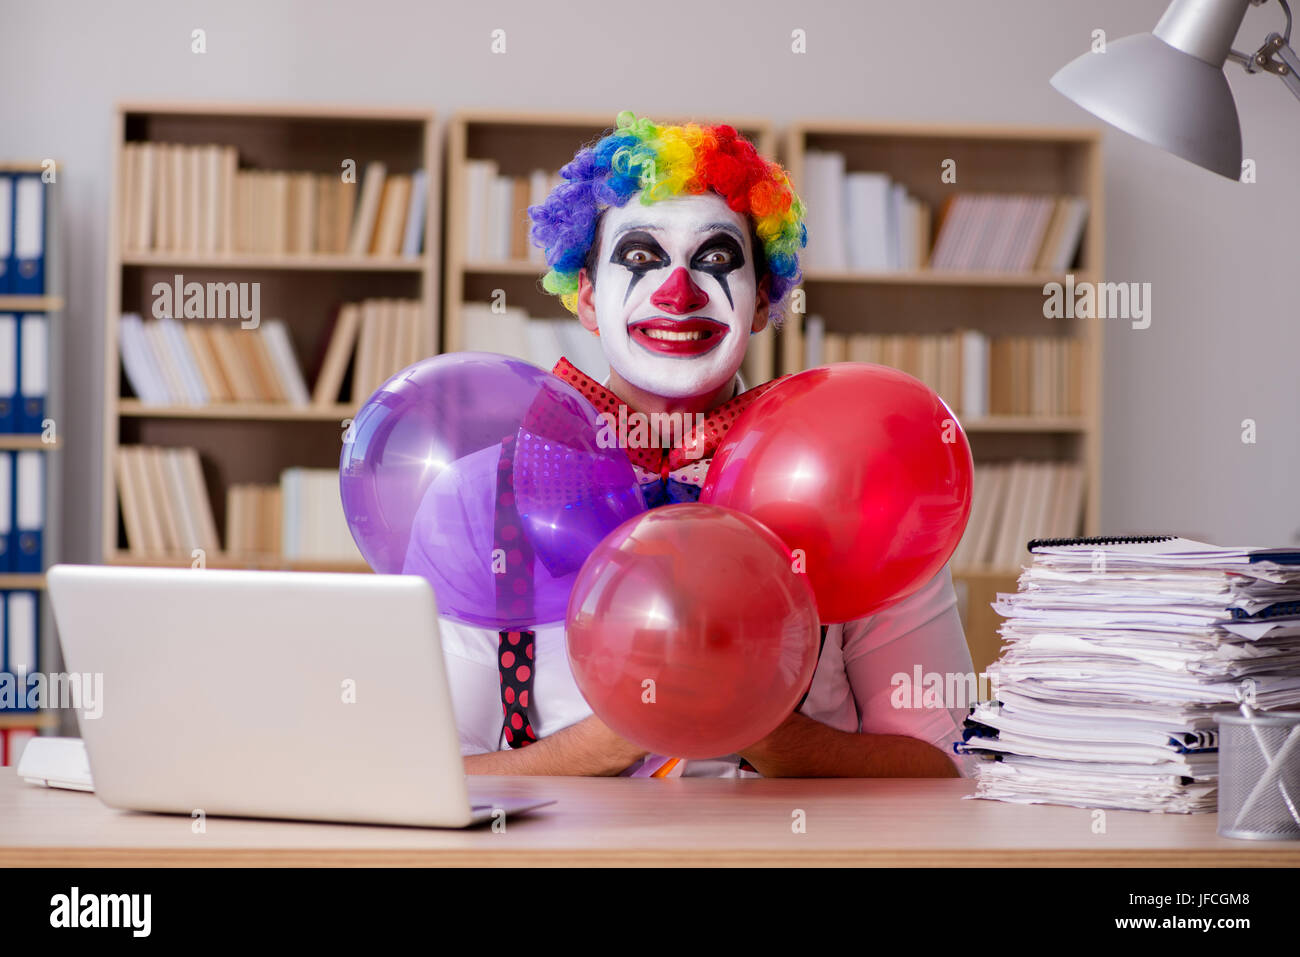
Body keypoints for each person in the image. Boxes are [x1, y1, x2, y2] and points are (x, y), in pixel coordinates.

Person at [441, 111, 974, 777]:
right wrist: (613, 736)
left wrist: (763, 723)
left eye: (716, 259)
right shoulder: (483, 496)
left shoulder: (862, 485)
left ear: (760, 301)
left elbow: (943, 766)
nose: (678, 292)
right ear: (584, 296)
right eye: (641, 257)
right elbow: (428, 774)